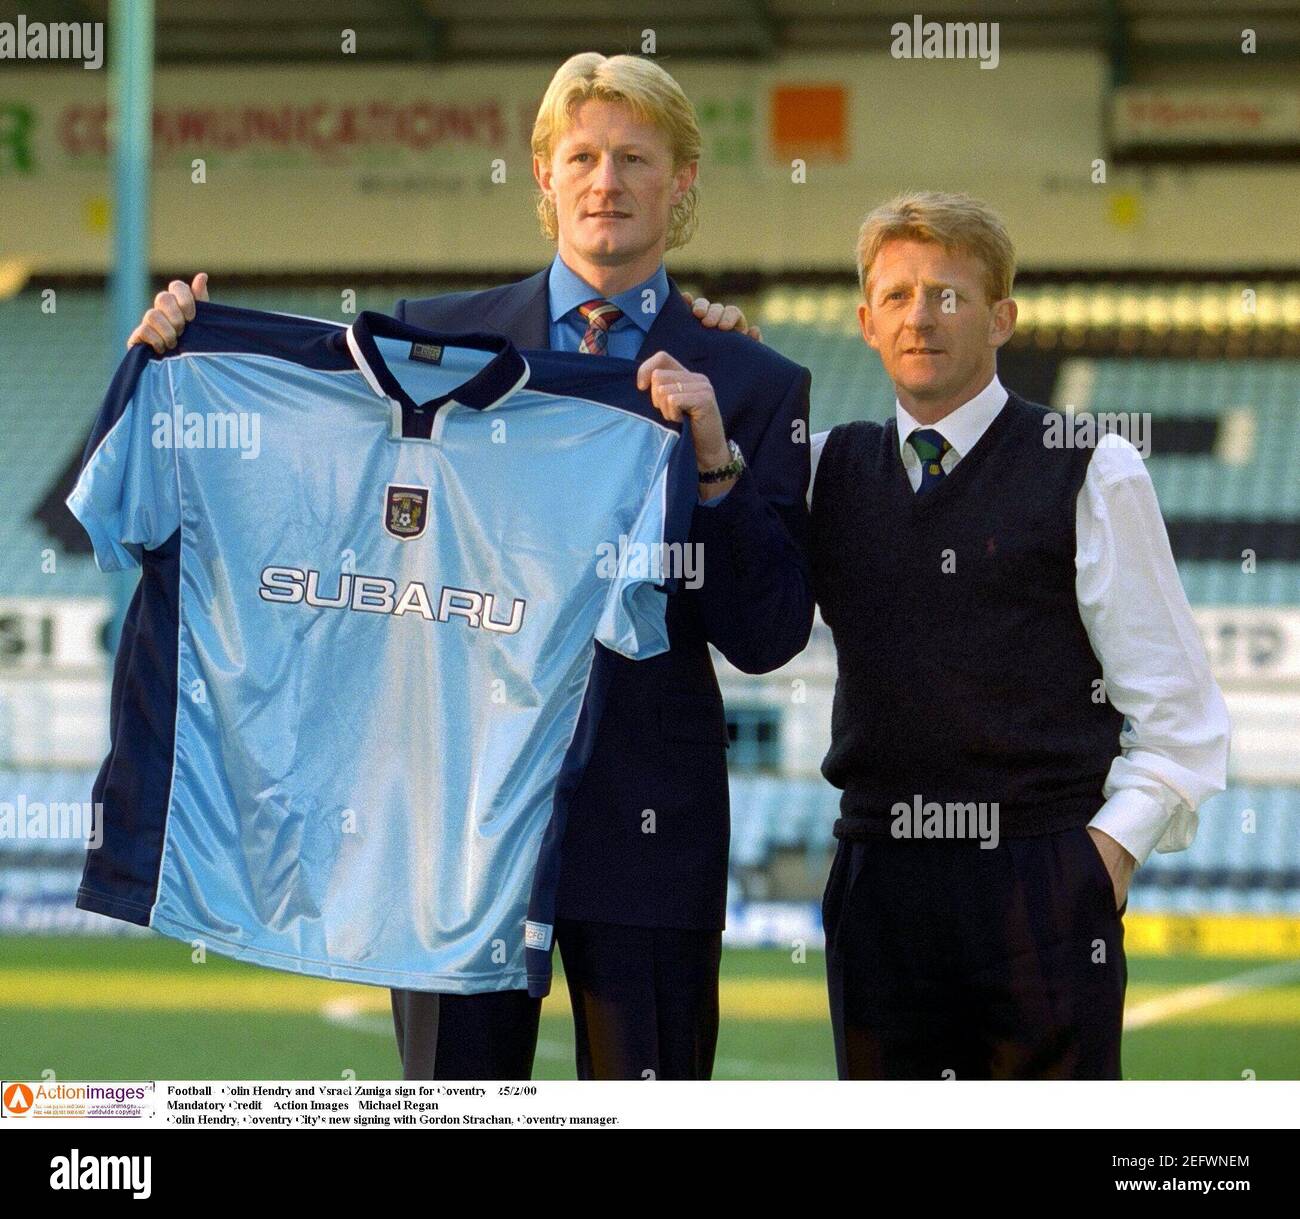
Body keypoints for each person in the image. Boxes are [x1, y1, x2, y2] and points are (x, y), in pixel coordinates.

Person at [126, 53, 814, 1080]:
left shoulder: (753, 378)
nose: (606, 181)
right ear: (542, 178)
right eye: (580, 155)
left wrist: (714, 461)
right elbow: (317, 496)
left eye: (635, 157)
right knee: (454, 1108)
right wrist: (182, 360)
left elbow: (766, 636)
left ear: (682, 182)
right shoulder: (432, 340)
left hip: (649, 824)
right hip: (456, 820)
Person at [806, 190, 1231, 1078]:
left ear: (1002, 317)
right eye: (897, 296)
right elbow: (749, 620)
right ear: (864, 321)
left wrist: (1098, 863)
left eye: (949, 295)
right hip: (878, 881)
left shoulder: (1089, 462)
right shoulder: (833, 468)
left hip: (1039, 879)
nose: (921, 316)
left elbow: (1182, 713)